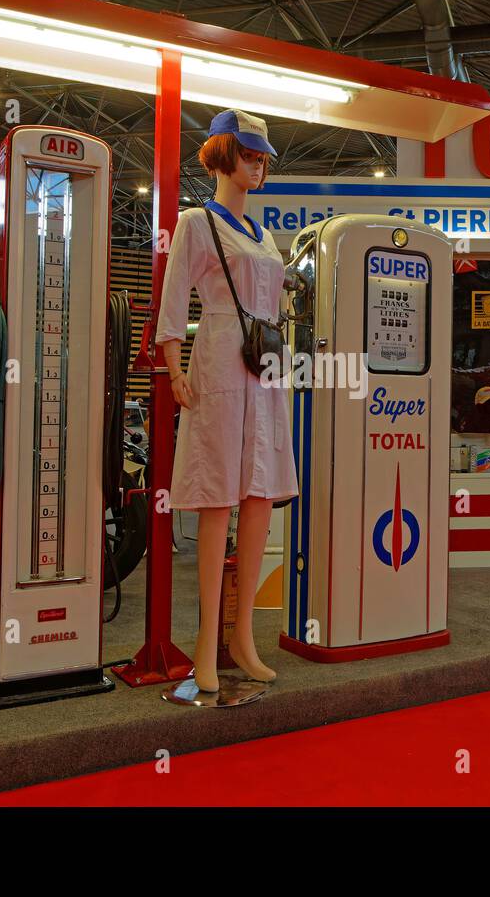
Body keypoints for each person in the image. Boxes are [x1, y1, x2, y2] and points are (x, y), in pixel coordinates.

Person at [154, 109, 299, 693]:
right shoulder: (196, 222)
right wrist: (172, 366)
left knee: (260, 493)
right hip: (216, 358)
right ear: (222, 154)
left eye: (263, 155)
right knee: (218, 497)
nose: (258, 163)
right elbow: (173, 296)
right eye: (248, 153)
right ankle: (206, 645)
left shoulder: (265, 237)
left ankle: (244, 637)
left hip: (264, 365)